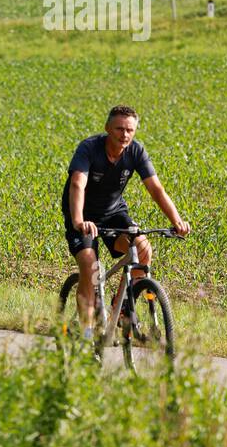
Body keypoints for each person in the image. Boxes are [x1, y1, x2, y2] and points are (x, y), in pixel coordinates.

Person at [63, 104, 190, 338]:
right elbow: (77, 184)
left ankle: (120, 308)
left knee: (142, 251)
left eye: (130, 130)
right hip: (82, 214)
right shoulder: (89, 148)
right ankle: (86, 332)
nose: (125, 135)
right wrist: (79, 220)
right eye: (119, 129)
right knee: (90, 268)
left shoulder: (136, 151)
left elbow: (156, 189)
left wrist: (177, 221)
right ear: (107, 128)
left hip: (113, 212)